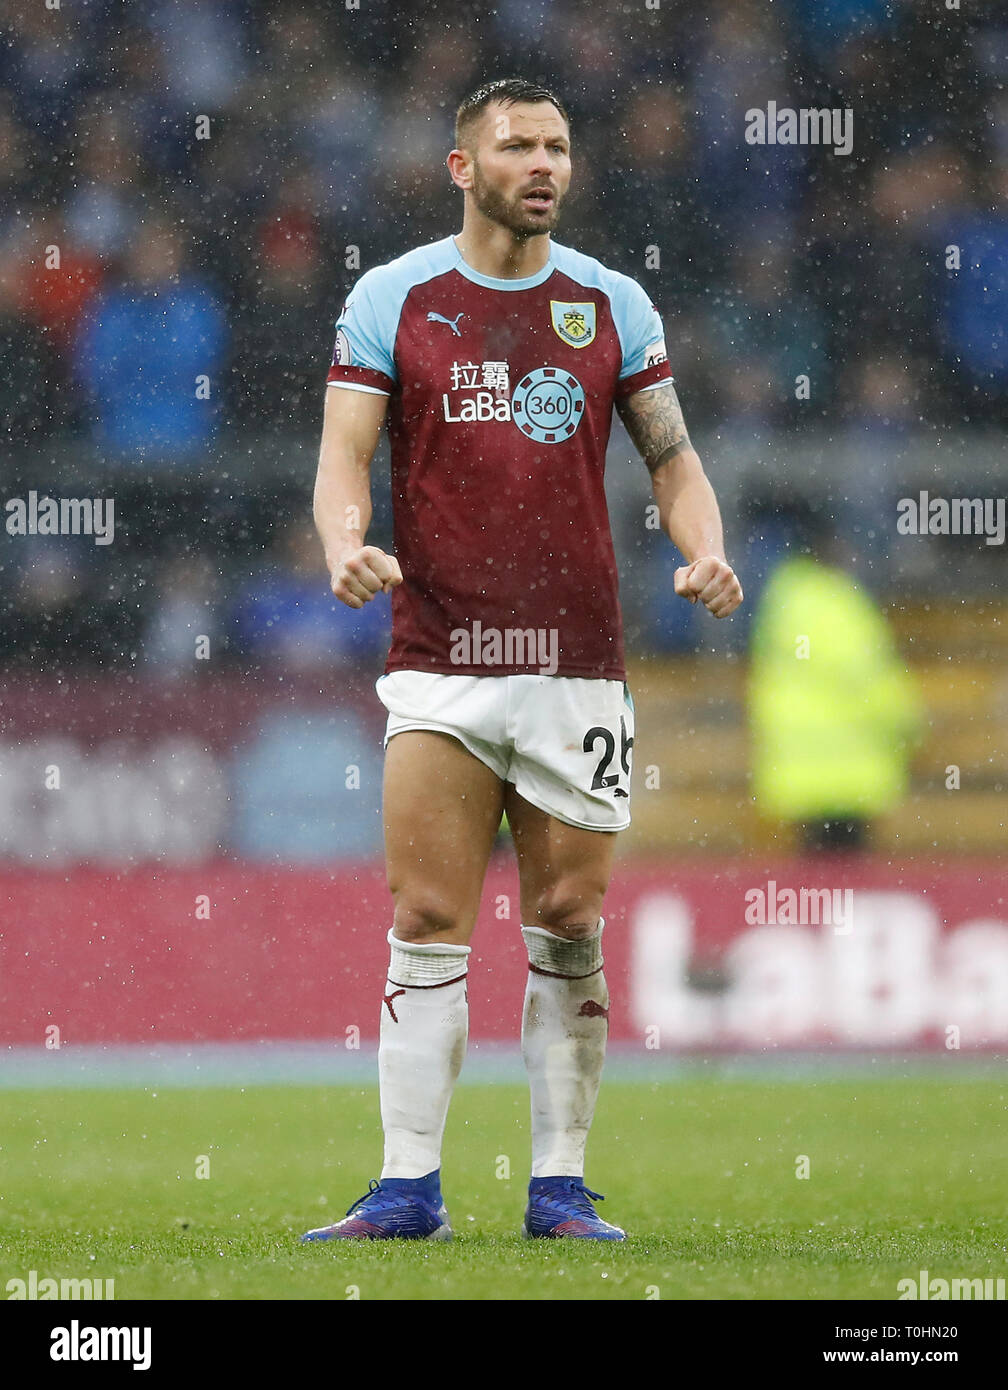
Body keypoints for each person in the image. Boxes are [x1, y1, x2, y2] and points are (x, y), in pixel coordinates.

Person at [305, 78, 743, 1243]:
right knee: (429, 912)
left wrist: (705, 551)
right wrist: (346, 547)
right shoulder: (393, 297)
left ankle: (559, 1186)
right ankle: (406, 1187)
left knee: (566, 918)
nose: (543, 163)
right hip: (440, 653)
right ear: (464, 165)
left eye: (557, 145)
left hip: (576, 663)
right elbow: (344, 457)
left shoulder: (611, 303)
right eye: (517, 146)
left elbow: (675, 459)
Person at [748, 505, 923, 852]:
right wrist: (911, 725)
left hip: (797, 765)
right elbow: (865, 675)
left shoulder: (782, 599)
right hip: (846, 766)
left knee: (814, 878)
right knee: (846, 877)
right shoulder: (838, 603)